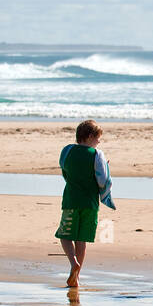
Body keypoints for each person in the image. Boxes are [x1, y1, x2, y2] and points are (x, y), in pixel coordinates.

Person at [55, 119, 109, 289]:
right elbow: (103, 180)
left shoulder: (67, 151)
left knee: (65, 235)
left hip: (71, 200)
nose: (99, 142)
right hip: (90, 203)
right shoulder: (96, 154)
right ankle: (76, 276)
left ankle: (73, 263)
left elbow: (65, 170)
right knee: (81, 239)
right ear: (90, 136)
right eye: (98, 138)